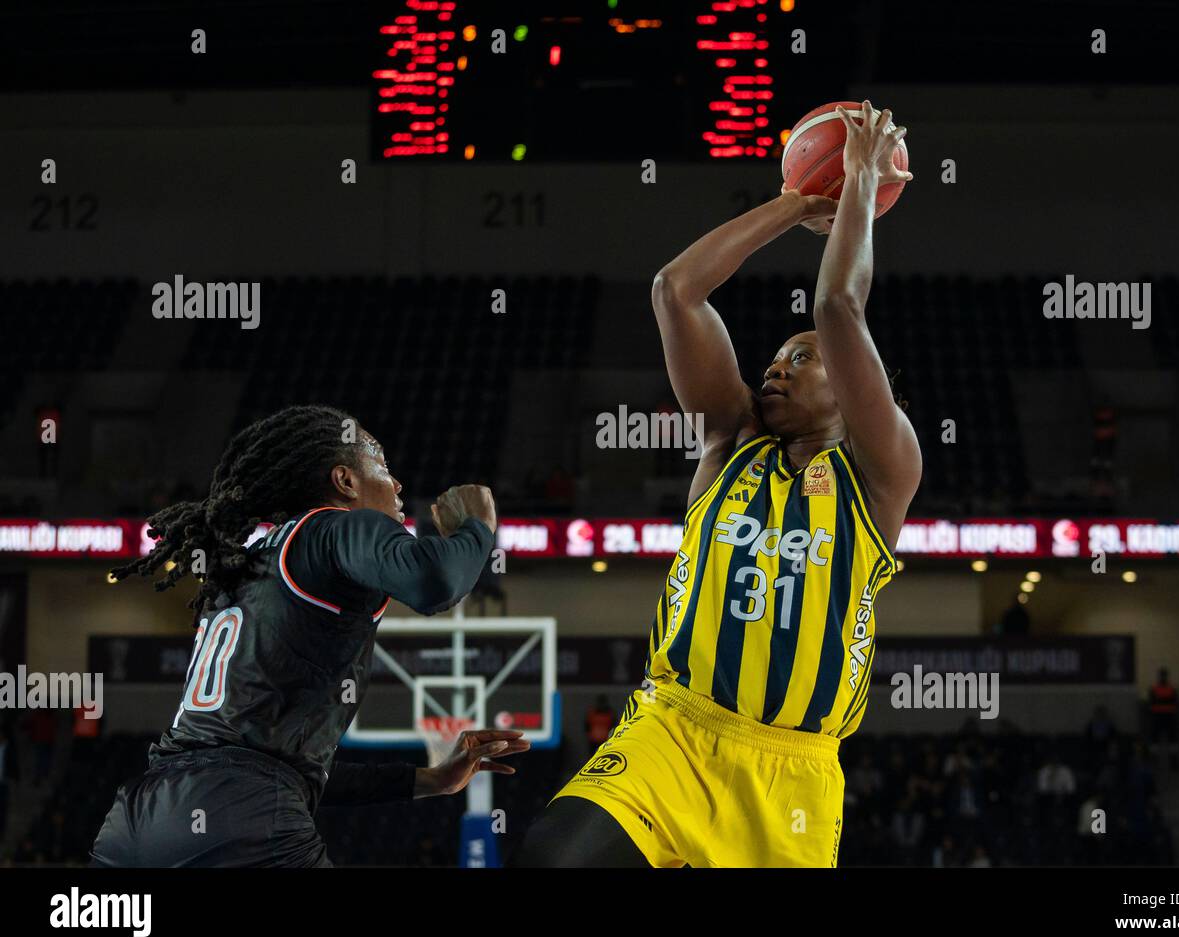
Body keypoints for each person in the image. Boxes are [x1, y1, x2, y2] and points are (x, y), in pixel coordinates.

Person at [514, 102, 920, 867]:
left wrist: (859, 183)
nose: (776, 366)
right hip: (674, 728)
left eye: (802, 359)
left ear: (863, 388)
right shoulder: (732, 442)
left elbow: (837, 306)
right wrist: (800, 199)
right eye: (774, 358)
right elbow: (676, 289)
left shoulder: (881, 472)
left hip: (791, 771)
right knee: (553, 855)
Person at [90, 405, 527, 867]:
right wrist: (477, 528)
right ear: (345, 481)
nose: (397, 485)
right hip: (240, 817)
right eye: (381, 466)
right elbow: (434, 582)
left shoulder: (246, 562)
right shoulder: (334, 527)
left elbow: (283, 769)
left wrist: (431, 780)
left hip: (137, 821)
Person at [1147, 666, 1179, 771]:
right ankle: (1156, 759)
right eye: (1162, 675)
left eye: (1163, 675)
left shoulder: (1168, 689)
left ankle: (1173, 760)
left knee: (1171, 739)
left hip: (1165, 716)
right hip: (1161, 716)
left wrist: (1160, 702)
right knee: (1157, 739)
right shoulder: (1158, 689)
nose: (1163, 677)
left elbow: (1174, 702)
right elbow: (1152, 702)